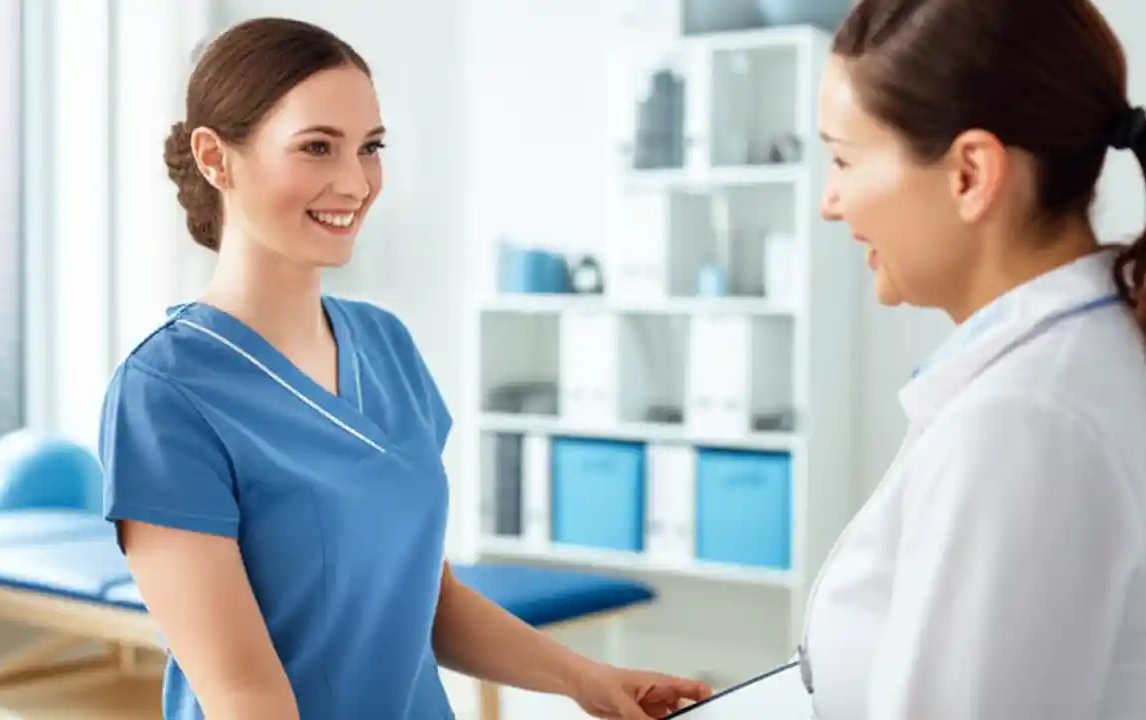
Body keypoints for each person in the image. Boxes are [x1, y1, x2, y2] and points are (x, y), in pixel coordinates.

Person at [97, 17, 710, 720]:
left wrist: (584, 680)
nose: (355, 182)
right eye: (317, 147)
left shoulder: (385, 347)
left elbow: (429, 599)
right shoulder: (165, 394)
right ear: (216, 158)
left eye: (371, 147)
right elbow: (245, 699)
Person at [802, 0, 1146, 718]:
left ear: (969, 174)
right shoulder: (1081, 356)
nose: (829, 202)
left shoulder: (1023, 424)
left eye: (842, 158)